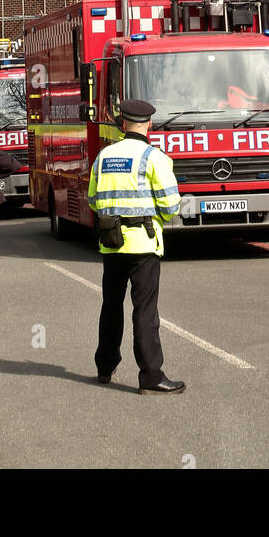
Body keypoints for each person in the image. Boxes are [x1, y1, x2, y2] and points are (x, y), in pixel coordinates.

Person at [88, 99, 185, 394]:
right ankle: (151, 376)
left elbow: (93, 200)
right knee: (144, 311)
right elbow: (170, 207)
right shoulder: (154, 158)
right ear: (149, 125)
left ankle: (105, 367)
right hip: (143, 245)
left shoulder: (104, 157)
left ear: (122, 124)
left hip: (111, 244)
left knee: (111, 306)